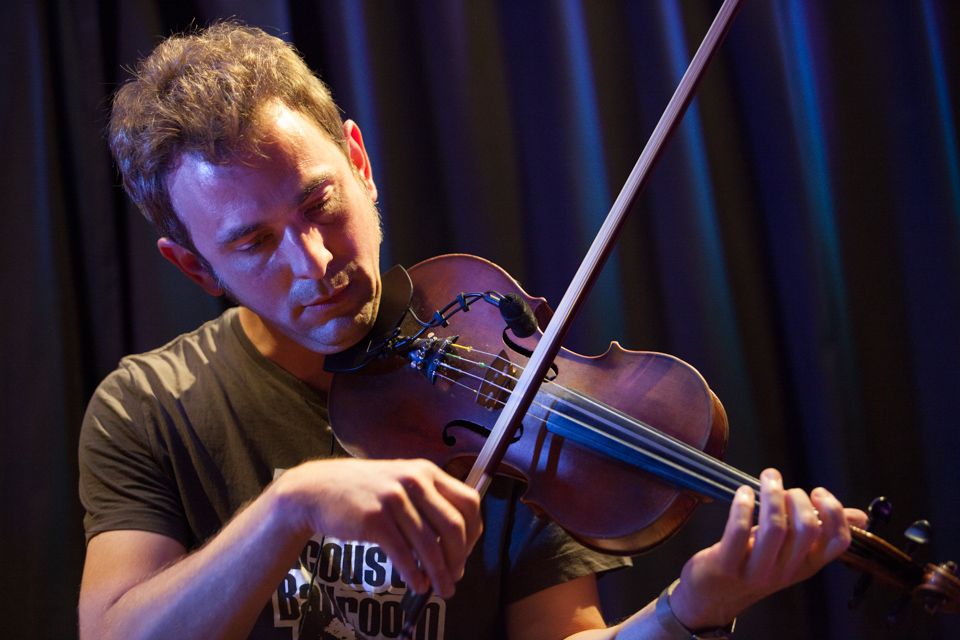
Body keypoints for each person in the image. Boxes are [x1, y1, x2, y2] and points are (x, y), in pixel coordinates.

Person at [78, 21, 867, 640]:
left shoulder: (503, 372)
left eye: (319, 203)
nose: (314, 262)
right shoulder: (151, 406)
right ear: (193, 266)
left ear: (359, 162)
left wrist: (693, 607)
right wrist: (292, 506)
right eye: (252, 243)